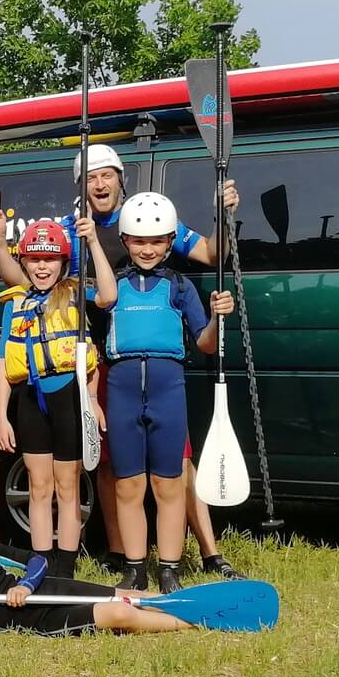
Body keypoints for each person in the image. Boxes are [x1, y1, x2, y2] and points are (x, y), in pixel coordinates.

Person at [0, 144, 246, 580]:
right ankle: (124, 556)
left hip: (153, 359)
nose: (99, 183)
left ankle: (206, 552)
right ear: (80, 185)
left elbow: (213, 255)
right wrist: (0, 247)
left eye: (107, 175)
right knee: (108, 462)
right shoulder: (70, 228)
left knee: (176, 465)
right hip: (95, 358)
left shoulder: (151, 218)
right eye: (90, 176)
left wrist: (223, 215)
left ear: (121, 179)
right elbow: (30, 279)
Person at [103, 193, 234, 592]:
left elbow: (206, 343)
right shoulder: (112, 287)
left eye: (157, 241)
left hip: (168, 389)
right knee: (128, 484)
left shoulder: (179, 286)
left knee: (169, 483)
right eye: (139, 241)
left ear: (170, 241)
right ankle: (135, 568)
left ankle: (169, 569)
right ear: (125, 240)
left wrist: (217, 317)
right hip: (122, 389)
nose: (148, 249)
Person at [0, 218, 117, 577]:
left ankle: (65, 567)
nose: (42, 267)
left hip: (68, 399)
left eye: (50, 259)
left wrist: (93, 242)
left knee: (67, 484)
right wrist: (1, 416)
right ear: (24, 262)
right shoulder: (16, 304)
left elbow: (109, 295)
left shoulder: (75, 294)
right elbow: (4, 363)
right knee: (38, 485)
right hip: (31, 400)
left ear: (63, 261)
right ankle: (41, 563)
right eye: (34, 259)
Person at [0, 491, 191, 637]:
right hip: (39, 620)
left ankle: (192, 605)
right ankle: (190, 624)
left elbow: (37, 560)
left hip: (46, 589)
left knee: (130, 595)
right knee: (120, 613)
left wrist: (25, 585)